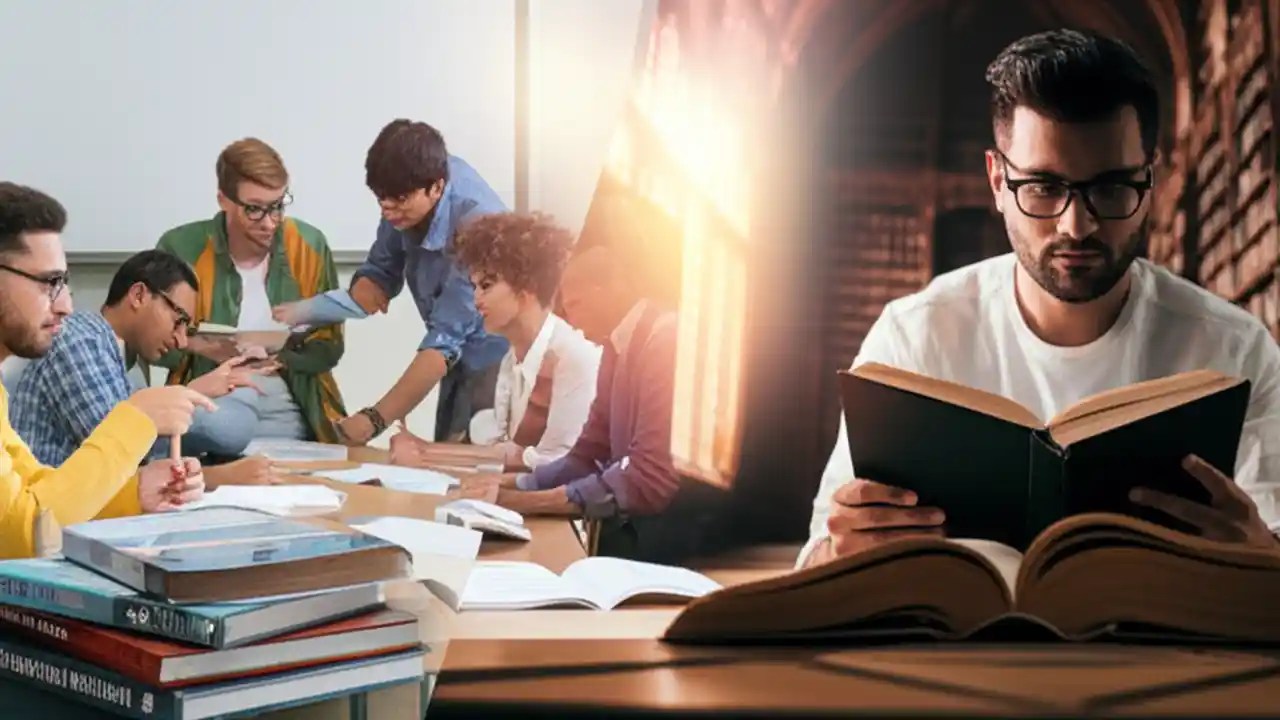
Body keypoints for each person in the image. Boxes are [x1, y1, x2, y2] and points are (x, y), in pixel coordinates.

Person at [798, 29, 1280, 569]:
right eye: (1044, 189)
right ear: (998, 181)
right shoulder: (912, 337)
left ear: (1152, 178)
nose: (1077, 226)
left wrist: (1262, 560)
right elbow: (817, 555)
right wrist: (842, 550)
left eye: (1112, 187)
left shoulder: (1237, 352)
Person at [0, 182, 208, 559]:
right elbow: (27, 528)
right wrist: (137, 418)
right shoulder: (81, 339)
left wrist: (135, 492)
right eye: (48, 283)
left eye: (63, 283)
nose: (64, 305)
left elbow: (32, 490)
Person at [459, 238, 693, 560]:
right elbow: (587, 454)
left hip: (679, 542)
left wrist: (517, 501)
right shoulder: (616, 345)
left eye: (576, 304)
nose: (571, 319)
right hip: (634, 530)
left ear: (606, 289)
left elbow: (647, 480)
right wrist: (506, 484)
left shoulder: (665, 340)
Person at [280, 119, 507, 447]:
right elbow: (378, 278)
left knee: (471, 463)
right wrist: (298, 314)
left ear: (437, 187)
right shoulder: (402, 194)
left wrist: (373, 420)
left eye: (398, 200)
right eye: (381, 200)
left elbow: (442, 345)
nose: (388, 211)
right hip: (453, 350)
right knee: (446, 450)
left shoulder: (477, 226)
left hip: (497, 353)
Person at [8, 250, 280, 486]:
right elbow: (120, 454)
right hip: (51, 529)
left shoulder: (117, 358)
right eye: (179, 320)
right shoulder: (80, 339)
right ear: (138, 295)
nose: (181, 340)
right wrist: (220, 476)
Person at [154, 138, 347, 450]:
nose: (269, 223)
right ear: (223, 200)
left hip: (294, 409)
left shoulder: (309, 246)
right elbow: (156, 346)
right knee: (222, 431)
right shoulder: (181, 249)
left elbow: (330, 346)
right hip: (212, 403)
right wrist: (202, 347)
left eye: (278, 206)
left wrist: (276, 352)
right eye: (254, 210)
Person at [389, 212, 601, 471]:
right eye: (474, 286)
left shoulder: (574, 357)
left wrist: (426, 455)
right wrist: (424, 450)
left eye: (486, 286)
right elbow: (509, 452)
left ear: (527, 288)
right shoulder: (512, 358)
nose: (476, 299)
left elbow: (555, 462)